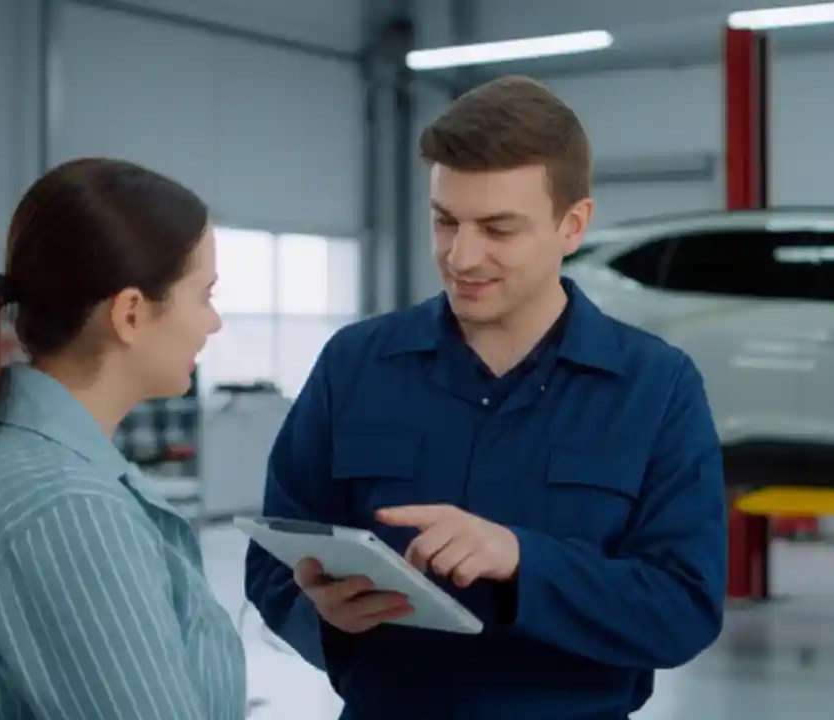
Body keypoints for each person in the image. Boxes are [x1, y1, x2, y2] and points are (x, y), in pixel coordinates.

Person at [245, 75, 728, 719]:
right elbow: (273, 564)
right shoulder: (355, 365)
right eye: (446, 222)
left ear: (572, 225)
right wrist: (325, 616)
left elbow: (684, 609)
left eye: (499, 229)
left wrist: (526, 561)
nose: (462, 257)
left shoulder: (656, 387)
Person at [0, 158, 246, 719]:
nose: (213, 323)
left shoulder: (46, 470)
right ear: (129, 314)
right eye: (204, 296)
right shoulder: (67, 511)